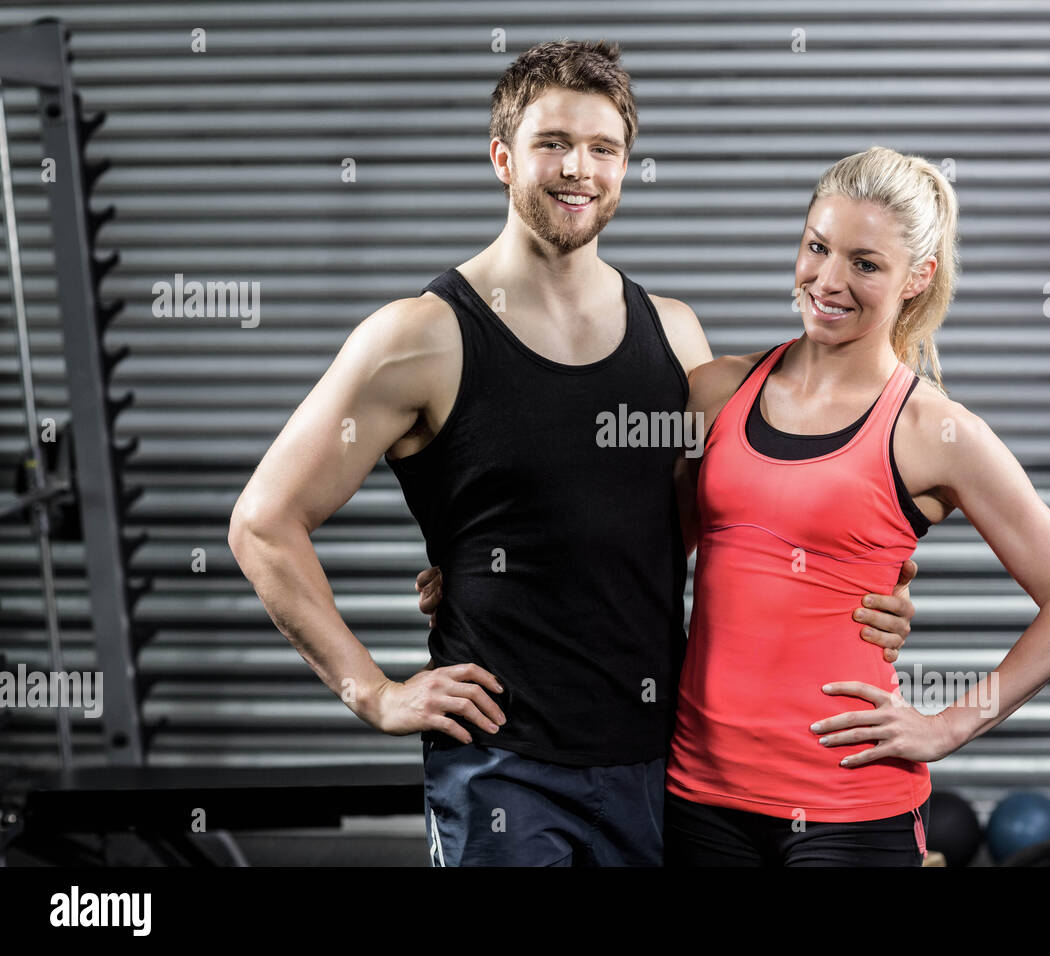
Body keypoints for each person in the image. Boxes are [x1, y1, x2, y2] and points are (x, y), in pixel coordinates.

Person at [228, 39, 917, 868]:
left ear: (626, 167)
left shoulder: (675, 333)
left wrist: (869, 590)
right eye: (551, 142)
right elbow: (264, 523)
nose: (576, 169)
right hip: (504, 769)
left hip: (664, 763)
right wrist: (370, 691)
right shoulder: (419, 337)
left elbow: (705, 522)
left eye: (603, 148)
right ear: (502, 157)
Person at [655, 146, 1050, 865]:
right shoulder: (716, 390)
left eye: (865, 263)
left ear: (916, 278)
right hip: (698, 793)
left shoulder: (935, 431)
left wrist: (947, 727)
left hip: (848, 804)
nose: (828, 280)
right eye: (817, 247)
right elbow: (642, 558)